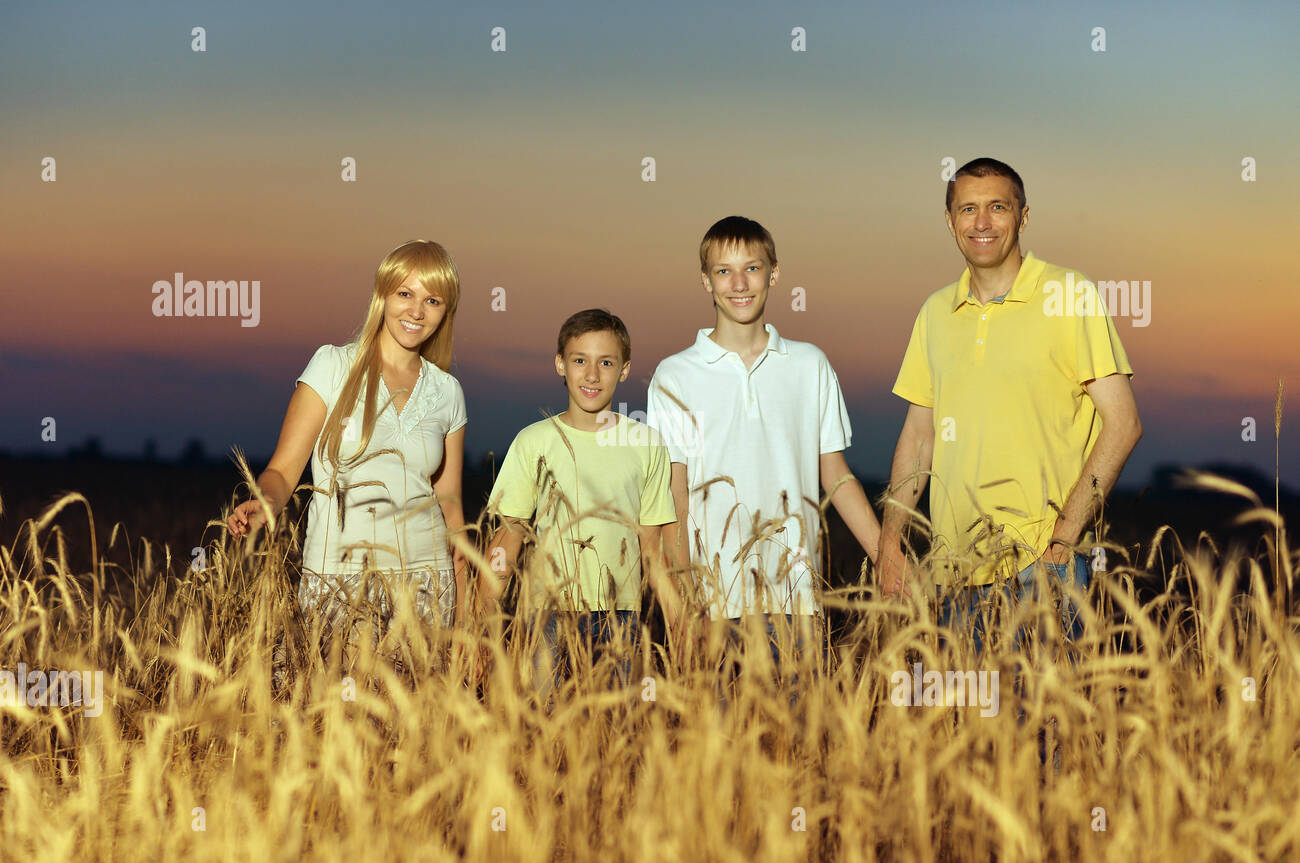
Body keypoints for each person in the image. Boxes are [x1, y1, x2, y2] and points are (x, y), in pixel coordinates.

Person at [877, 158, 1143, 657]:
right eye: (968, 209)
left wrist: (1063, 539)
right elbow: (919, 435)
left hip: (1042, 570)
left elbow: (1124, 423)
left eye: (997, 208)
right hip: (952, 575)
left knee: (1047, 728)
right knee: (970, 731)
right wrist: (891, 540)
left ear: (1022, 216)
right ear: (950, 221)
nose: (982, 223)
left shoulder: (1070, 294)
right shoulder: (935, 312)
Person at [227, 239, 469, 687]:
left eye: (432, 300)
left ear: (445, 311)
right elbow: (283, 469)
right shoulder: (333, 366)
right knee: (326, 720)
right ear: (383, 294)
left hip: (425, 586)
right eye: (405, 294)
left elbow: (451, 507)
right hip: (338, 579)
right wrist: (264, 501)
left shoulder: (447, 392)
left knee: (406, 734)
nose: (417, 310)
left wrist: (468, 616)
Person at [646, 216, 881, 667]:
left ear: (774, 273)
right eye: (723, 271)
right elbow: (673, 493)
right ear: (705, 280)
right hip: (712, 605)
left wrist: (887, 558)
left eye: (752, 269)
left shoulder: (809, 365)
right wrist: (681, 594)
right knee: (716, 736)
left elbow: (836, 474)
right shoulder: (675, 375)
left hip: (797, 602)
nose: (739, 283)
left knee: (799, 737)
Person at [480, 309, 679, 693]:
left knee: (620, 732)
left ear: (624, 369)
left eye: (606, 362)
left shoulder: (646, 443)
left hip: (621, 619)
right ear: (560, 364)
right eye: (579, 360)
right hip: (546, 615)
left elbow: (654, 551)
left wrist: (679, 624)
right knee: (545, 727)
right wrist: (482, 624)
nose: (592, 375)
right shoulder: (533, 441)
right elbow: (506, 542)